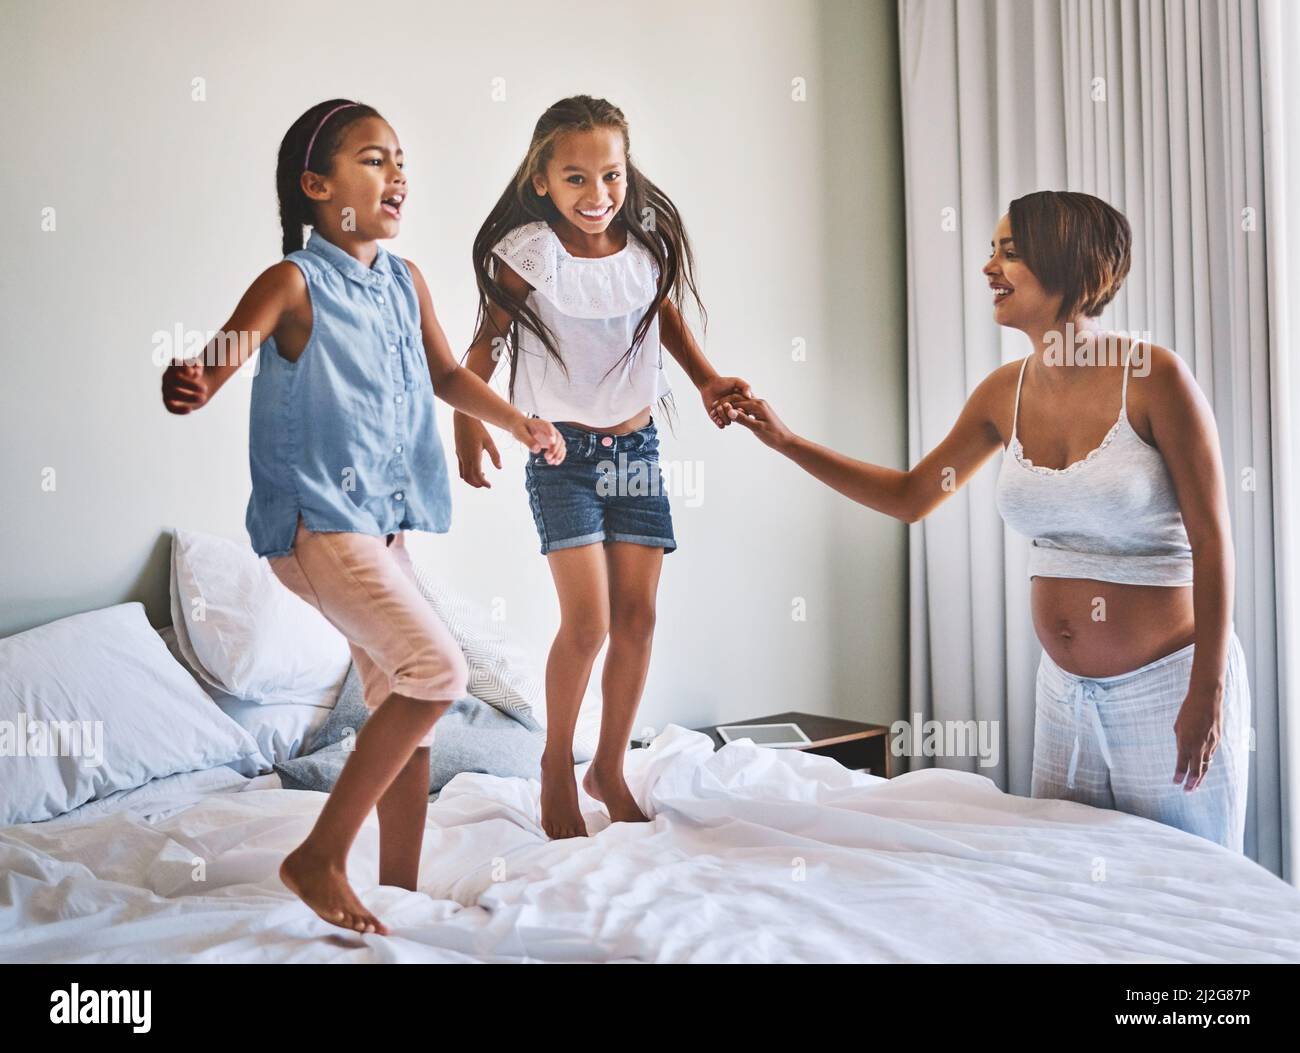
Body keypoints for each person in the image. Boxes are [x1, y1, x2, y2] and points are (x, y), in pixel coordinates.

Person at [717, 190, 1251, 852]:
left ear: (1068, 261)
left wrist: (1208, 688)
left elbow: (1212, 541)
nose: (989, 267)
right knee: (1065, 884)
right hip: (1064, 698)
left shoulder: (1152, 377)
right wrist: (787, 441)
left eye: (1010, 252)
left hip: (1168, 687)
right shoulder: (1005, 392)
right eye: (992, 250)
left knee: (1186, 886)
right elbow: (912, 496)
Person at [161, 99, 566, 934]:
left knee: (404, 702)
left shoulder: (405, 280)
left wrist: (516, 421)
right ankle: (320, 856)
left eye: (400, 160)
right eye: (374, 159)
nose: (397, 174)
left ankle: (399, 892)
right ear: (317, 186)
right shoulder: (292, 282)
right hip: (318, 526)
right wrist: (192, 379)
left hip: (381, 531)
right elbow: (221, 357)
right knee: (439, 671)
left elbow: (445, 374)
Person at [455, 94, 752, 839]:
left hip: (637, 449)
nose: (598, 194)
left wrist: (707, 379)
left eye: (610, 175)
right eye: (576, 178)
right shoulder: (529, 252)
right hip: (563, 456)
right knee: (586, 624)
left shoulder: (644, 244)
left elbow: (662, 315)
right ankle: (557, 764)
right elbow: (485, 343)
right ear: (543, 179)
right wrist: (468, 420)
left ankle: (609, 767)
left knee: (639, 617)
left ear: (627, 170)